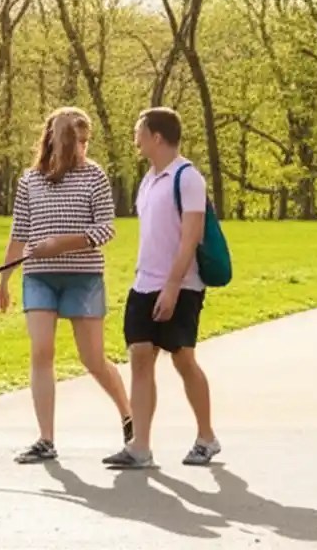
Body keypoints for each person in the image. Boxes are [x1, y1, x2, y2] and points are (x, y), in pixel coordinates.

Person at [0, 106, 134, 463]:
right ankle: (46, 439)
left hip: (83, 277)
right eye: (77, 141)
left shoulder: (94, 176)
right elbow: (19, 232)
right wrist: (4, 280)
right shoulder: (30, 180)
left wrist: (61, 243)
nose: (82, 149)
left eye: (87, 142)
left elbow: (105, 229)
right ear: (56, 140)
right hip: (38, 277)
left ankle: (129, 415)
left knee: (93, 359)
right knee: (41, 352)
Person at [103, 106, 220, 469]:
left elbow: (190, 237)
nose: (135, 139)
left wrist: (171, 287)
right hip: (144, 283)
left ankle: (206, 437)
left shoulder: (187, 178)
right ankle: (140, 446)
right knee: (140, 355)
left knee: (183, 359)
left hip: (181, 285)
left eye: (139, 132)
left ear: (156, 136)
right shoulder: (149, 179)